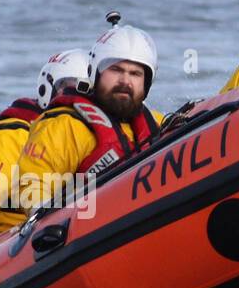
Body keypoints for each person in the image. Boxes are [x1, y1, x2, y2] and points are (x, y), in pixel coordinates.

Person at [15, 16, 164, 214]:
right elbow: (33, 183)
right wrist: (46, 220)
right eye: (116, 70)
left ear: (146, 83)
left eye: (135, 74)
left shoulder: (157, 123)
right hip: (84, 227)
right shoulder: (66, 126)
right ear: (96, 73)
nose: (125, 81)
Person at [0, 49, 87, 253]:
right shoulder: (11, 135)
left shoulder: (94, 132)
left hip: (78, 226)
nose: (75, 98)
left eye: (85, 90)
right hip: (15, 242)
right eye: (68, 88)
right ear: (47, 89)